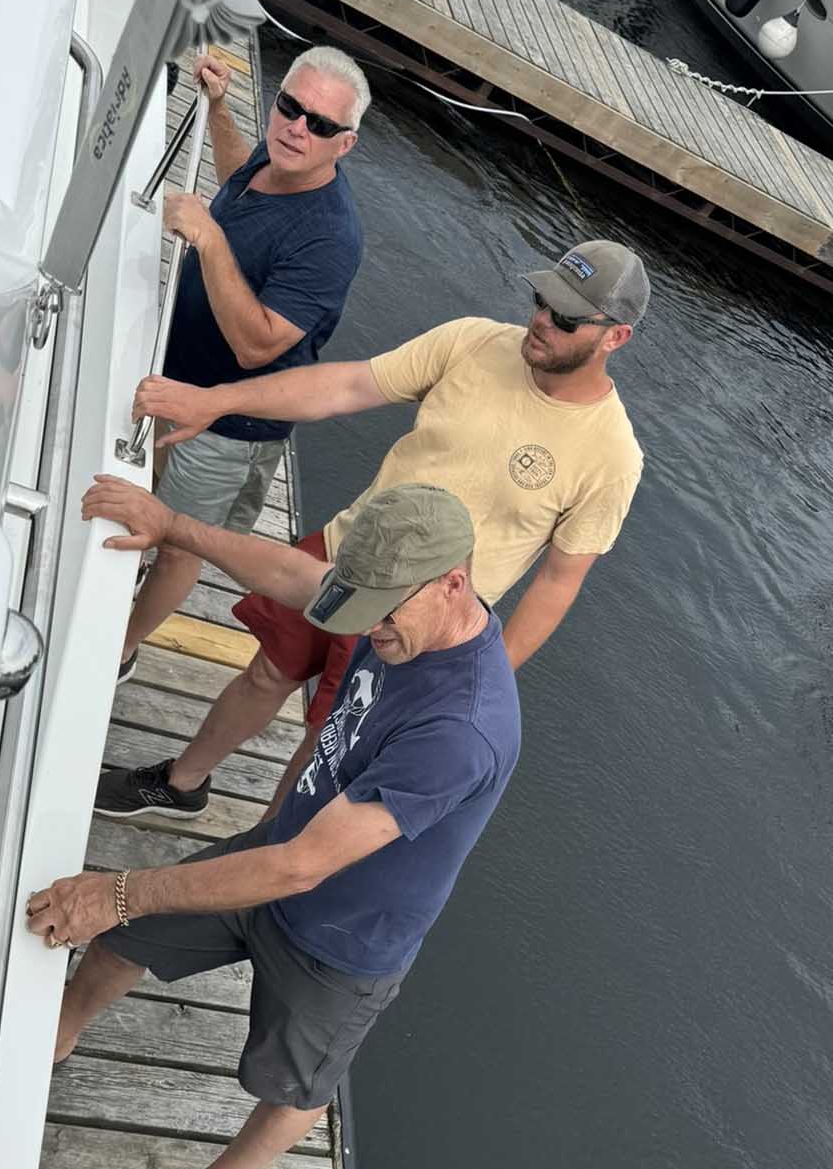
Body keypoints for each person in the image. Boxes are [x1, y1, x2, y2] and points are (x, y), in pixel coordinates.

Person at [31, 478, 518, 1169]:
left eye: (386, 612)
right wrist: (172, 522)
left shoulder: (462, 729)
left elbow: (303, 868)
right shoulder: (403, 607)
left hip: (340, 943)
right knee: (126, 935)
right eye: (366, 604)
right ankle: (58, 1031)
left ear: (453, 583)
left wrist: (116, 890)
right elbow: (296, 576)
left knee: (289, 1094)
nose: (371, 629)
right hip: (279, 845)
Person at [96, 239, 648, 822]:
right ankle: (183, 782)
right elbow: (348, 386)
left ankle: (260, 851)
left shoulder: (612, 456)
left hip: (415, 622)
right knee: (266, 672)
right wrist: (218, 401)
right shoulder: (475, 341)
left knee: (325, 742)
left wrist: (480, 672)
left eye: (563, 318)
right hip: (345, 554)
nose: (540, 321)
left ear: (615, 336)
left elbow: (559, 582)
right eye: (540, 299)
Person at [118, 45, 369, 682]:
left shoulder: (331, 239)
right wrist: (220, 107)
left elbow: (257, 345)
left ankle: (118, 648)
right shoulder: (277, 155)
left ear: (345, 144)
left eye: (320, 125)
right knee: (143, 491)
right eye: (290, 107)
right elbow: (236, 181)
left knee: (179, 544)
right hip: (175, 378)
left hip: (232, 426)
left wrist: (207, 235)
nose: (296, 127)